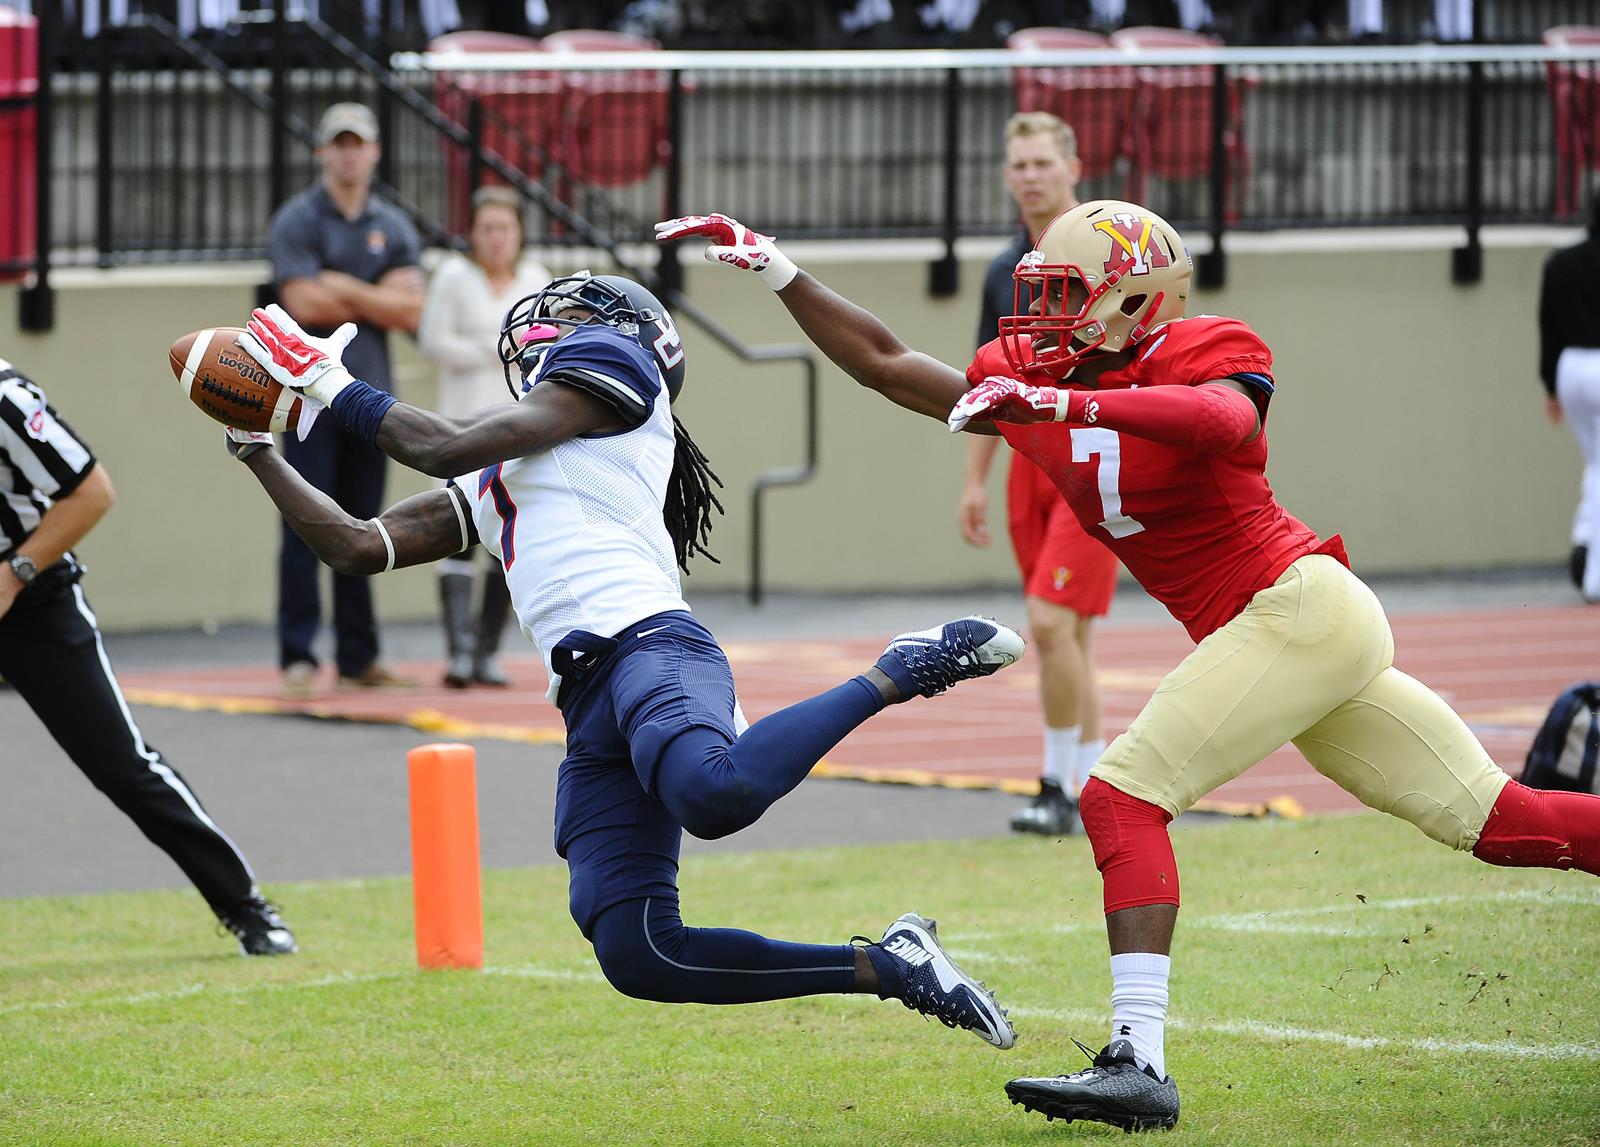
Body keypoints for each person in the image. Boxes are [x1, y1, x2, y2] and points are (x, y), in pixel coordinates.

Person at [654, 204, 1600, 1132]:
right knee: (1501, 823)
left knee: (1118, 794)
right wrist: (777, 269)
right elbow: (889, 365)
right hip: (1282, 632)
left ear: (1140, 298)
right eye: (1041, 292)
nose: (1041, 318)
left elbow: (1223, 422)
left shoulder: (1197, 348)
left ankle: (1138, 1059)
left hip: (1296, 603)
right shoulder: (1028, 373)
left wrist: (1067, 401)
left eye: (1066, 294)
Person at [213, 275, 1025, 1041]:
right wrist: (257, 449)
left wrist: (326, 382)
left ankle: (901, 668)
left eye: (573, 316)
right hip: (588, 696)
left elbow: (440, 444)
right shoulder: (510, 462)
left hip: (651, 646)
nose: (553, 326)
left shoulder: (615, 371)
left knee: (715, 792)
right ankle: (893, 964)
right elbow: (357, 545)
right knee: (640, 951)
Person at [0, 355, 295, 956]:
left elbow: (92, 493)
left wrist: (12, 576)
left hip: (31, 600)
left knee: (121, 765)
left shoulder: (5, 398)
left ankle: (244, 906)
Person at [963, 112, 1119, 836]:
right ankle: (1099, 788)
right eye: (1018, 164)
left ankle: (1058, 784)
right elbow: (984, 381)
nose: (1030, 175)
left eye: (1041, 163)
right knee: (1070, 640)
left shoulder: (1110, 252)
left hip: (1092, 454)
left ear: (1072, 168)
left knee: (1051, 626)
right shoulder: (1004, 270)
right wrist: (975, 480)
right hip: (1031, 460)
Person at [267, 102, 425, 698]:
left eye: (358, 142)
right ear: (322, 151)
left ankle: (359, 656)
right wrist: (372, 296)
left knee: (366, 526)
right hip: (306, 399)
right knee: (306, 523)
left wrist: (338, 285)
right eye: (339, 142)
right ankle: (298, 654)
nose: (349, 152)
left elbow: (411, 309)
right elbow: (301, 302)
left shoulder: (395, 223)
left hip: (370, 400)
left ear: (375, 150)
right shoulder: (298, 219)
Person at [418, 187, 552, 687]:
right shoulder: (454, 277)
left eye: (506, 228)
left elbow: (544, 344)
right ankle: (458, 651)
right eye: (487, 228)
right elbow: (435, 341)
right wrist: (497, 348)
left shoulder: (537, 279)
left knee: (503, 537)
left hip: (514, 431)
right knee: (455, 535)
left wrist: (503, 350)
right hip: (458, 425)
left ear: (519, 234)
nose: (496, 239)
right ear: (473, 233)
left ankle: (488, 650)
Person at [1537, 199, 1600, 604]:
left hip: (1570, 366)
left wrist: (1551, 387)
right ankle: (1593, 574)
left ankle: (1583, 541)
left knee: (1596, 462)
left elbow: (1549, 324)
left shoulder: (1560, 262)